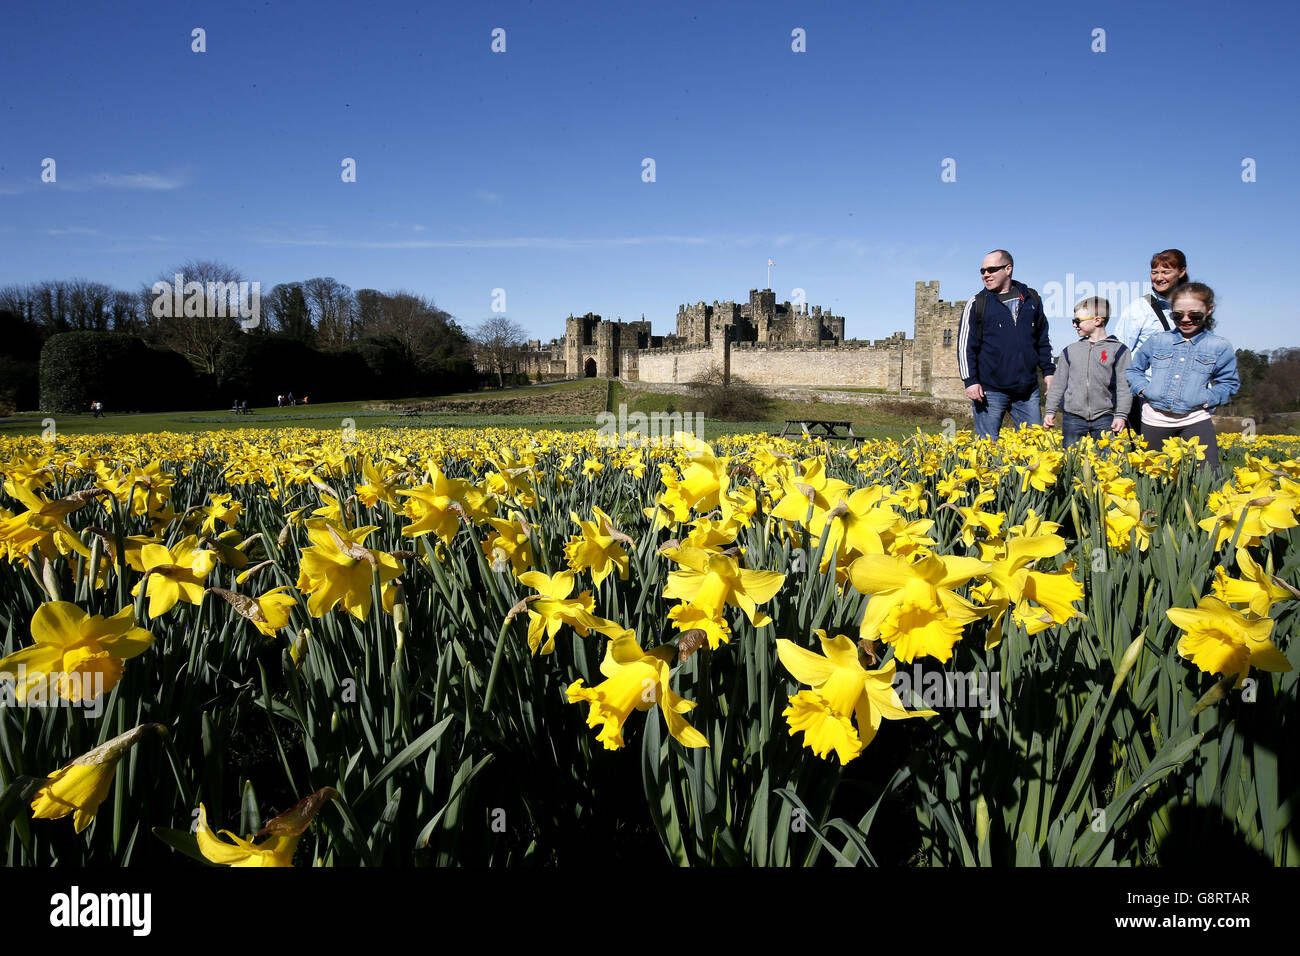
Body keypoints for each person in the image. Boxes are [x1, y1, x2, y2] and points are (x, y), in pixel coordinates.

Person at [1124, 281, 1238, 471]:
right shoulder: (1158, 341)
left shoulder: (1219, 345)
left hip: (1195, 418)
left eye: (1194, 315)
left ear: (1209, 310)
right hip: (1155, 418)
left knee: (1207, 475)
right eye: (1177, 315)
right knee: (1153, 477)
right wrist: (1145, 390)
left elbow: (1228, 383)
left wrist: (1206, 399)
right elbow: (1133, 371)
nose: (1185, 319)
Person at [958, 249, 1055, 441]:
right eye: (983, 270)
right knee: (988, 448)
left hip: (1027, 391)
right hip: (990, 391)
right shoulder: (977, 303)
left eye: (992, 269)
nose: (986, 274)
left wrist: (1049, 372)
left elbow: (1042, 339)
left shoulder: (1032, 299)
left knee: (1033, 446)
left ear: (1008, 269)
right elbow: (965, 346)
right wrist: (970, 380)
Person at [1114, 249, 1190, 427]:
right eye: (1154, 272)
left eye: (1166, 272)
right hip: (1146, 397)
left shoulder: (1193, 308)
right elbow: (1119, 353)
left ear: (1181, 271)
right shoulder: (1139, 309)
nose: (1158, 277)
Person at [1043, 297, 1131, 447]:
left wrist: (1121, 415)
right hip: (1073, 416)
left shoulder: (1118, 350)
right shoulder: (1070, 351)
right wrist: (1050, 411)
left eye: (1078, 321)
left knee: (1107, 464)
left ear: (1097, 320)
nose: (1074, 325)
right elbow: (1058, 384)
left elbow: (1124, 387)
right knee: (1072, 462)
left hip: (1105, 416)